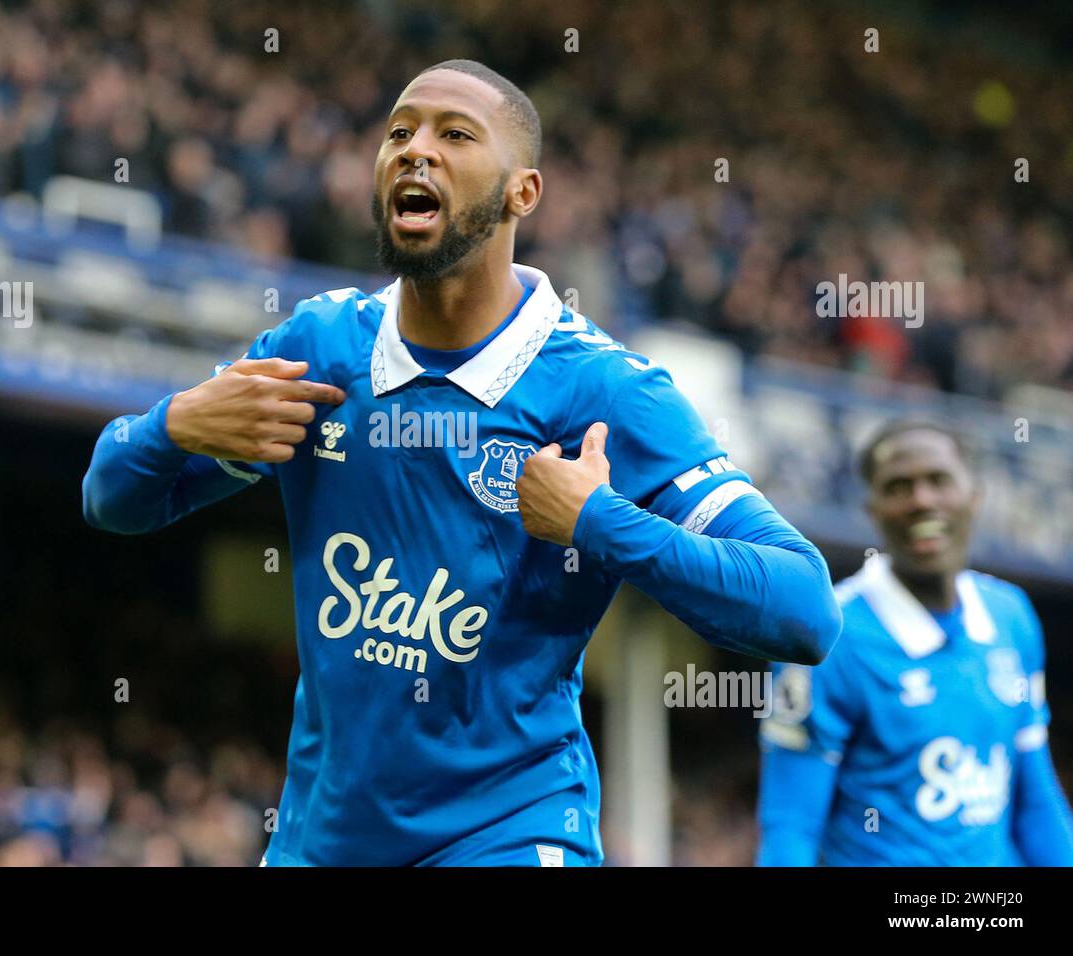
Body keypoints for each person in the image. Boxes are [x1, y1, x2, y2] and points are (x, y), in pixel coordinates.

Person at [83, 59, 840, 866]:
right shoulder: (320, 348)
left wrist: (598, 522)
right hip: (321, 841)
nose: (416, 150)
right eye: (399, 132)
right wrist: (174, 426)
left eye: (454, 135)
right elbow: (112, 499)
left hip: (508, 833)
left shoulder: (604, 391)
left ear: (523, 192)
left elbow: (804, 607)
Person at [757, 420, 1073, 865]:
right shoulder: (826, 638)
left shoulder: (1011, 616)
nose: (922, 500)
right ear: (872, 509)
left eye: (938, 480)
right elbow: (792, 826)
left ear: (974, 495)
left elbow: (1036, 801)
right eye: (898, 487)